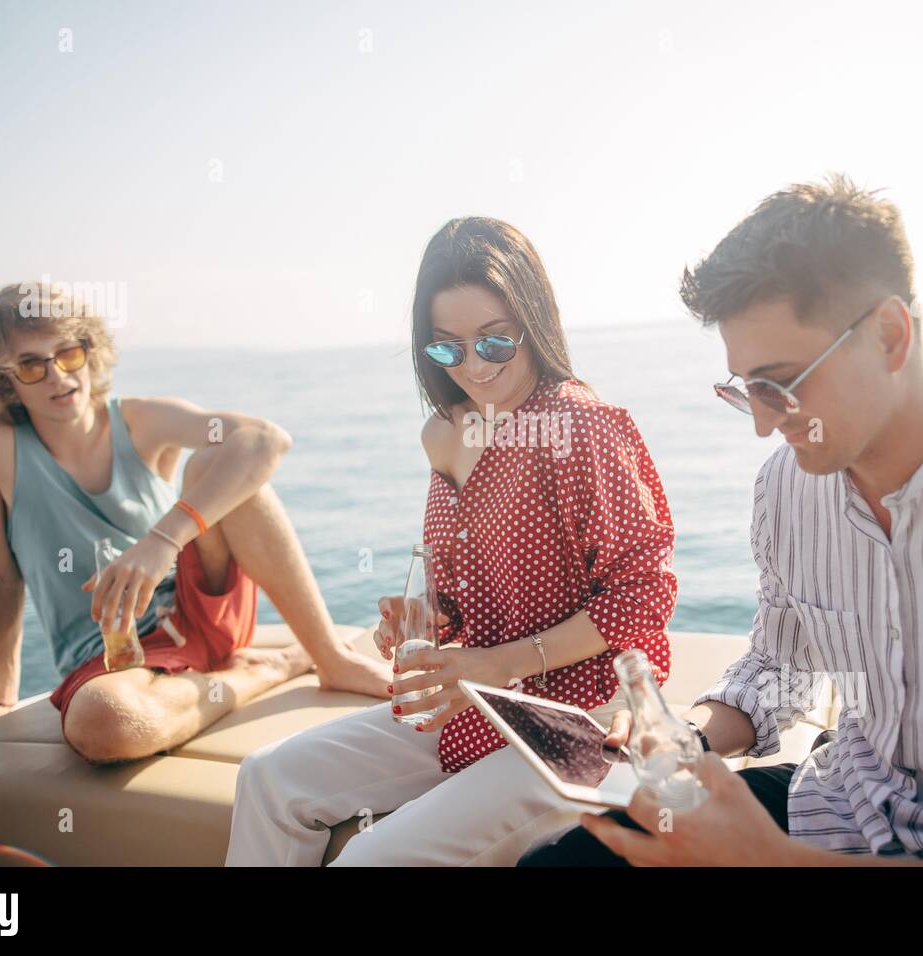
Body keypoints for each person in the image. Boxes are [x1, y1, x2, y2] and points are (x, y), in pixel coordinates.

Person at [522, 175, 923, 866]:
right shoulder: (789, 488)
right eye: (745, 391)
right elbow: (779, 668)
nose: (764, 426)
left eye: (781, 384)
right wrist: (683, 739)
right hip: (841, 810)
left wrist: (768, 862)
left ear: (890, 335)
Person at [225, 217, 678, 865]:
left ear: (535, 321)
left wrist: (499, 665)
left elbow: (644, 598)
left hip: (583, 729)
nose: (473, 367)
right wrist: (425, 619)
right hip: (477, 706)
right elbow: (468, 600)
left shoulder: (583, 428)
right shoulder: (445, 433)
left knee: (367, 861)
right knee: (267, 777)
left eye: (495, 343)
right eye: (447, 349)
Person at [0, 282, 391, 764]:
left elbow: (266, 439)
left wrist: (160, 542)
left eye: (68, 353)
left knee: (217, 460)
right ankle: (266, 669)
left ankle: (330, 659)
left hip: (202, 610)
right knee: (102, 726)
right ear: (3, 378)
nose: (58, 376)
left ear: (88, 351)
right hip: (110, 655)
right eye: (32, 365)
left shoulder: (139, 419)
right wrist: (1, 697)